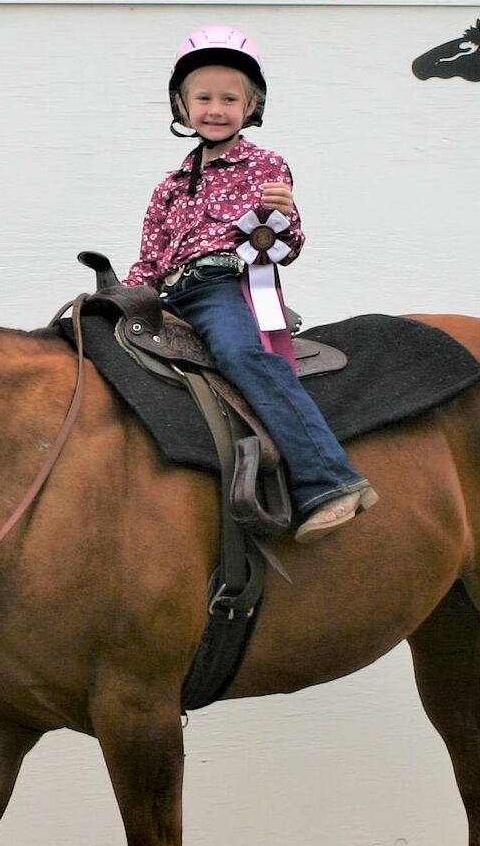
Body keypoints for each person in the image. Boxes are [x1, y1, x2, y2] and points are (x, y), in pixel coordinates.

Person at [125, 26, 377, 542]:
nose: (215, 109)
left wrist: (285, 215)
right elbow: (149, 259)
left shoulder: (264, 164)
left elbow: (286, 241)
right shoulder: (168, 188)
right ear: (182, 103)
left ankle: (329, 479)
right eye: (203, 97)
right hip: (173, 295)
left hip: (225, 287)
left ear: (251, 104)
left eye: (229, 98)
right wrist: (124, 298)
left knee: (243, 356)